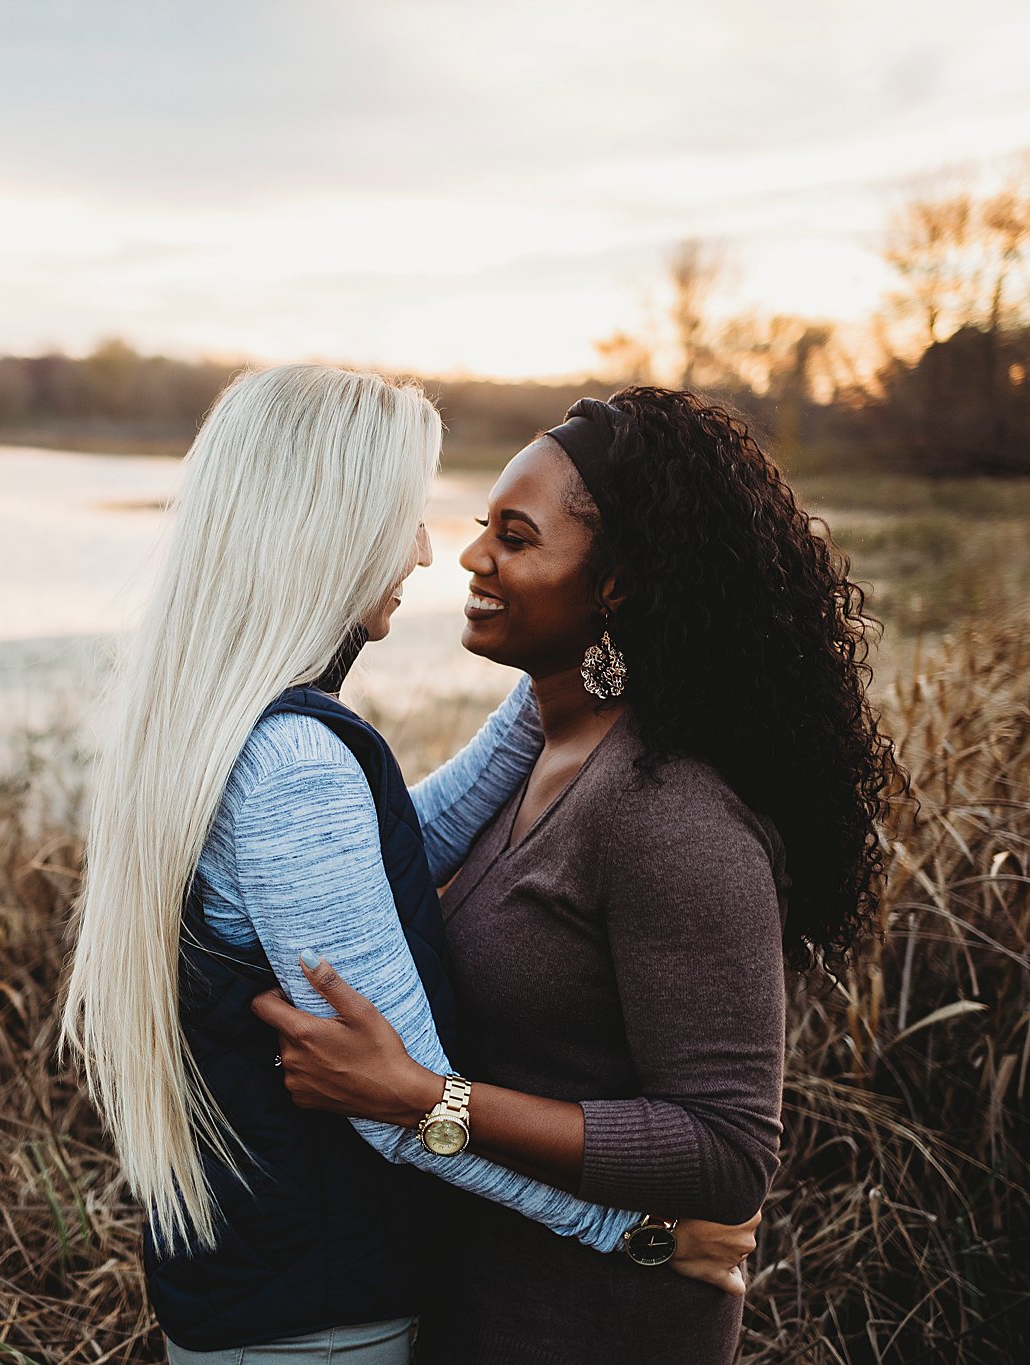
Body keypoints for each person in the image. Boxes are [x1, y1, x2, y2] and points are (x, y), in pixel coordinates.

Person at [61, 366, 758, 1364]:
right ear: (329, 532)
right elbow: (399, 1108)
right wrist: (631, 1234)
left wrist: (560, 679)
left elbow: (400, 856)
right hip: (319, 1322)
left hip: (262, 1296)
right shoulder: (292, 764)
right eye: (405, 517)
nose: (433, 551)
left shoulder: (219, 728)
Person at [254, 388, 906, 1364]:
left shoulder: (669, 814)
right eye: (484, 528)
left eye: (514, 538)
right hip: (473, 1294)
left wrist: (427, 1099)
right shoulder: (545, 759)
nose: (470, 557)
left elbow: (727, 1153)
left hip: (593, 1322)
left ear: (617, 584)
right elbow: (397, 857)